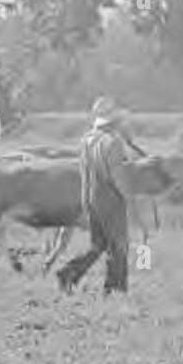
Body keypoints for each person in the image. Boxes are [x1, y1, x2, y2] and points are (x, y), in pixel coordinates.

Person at [55, 97, 138, 295]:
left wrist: (85, 200)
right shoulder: (114, 143)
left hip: (91, 198)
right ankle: (115, 289)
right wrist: (130, 197)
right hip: (111, 199)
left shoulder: (87, 140)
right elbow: (117, 176)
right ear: (114, 122)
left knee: (98, 245)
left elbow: (84, 172)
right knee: (118, 244)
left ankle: (68, 272)